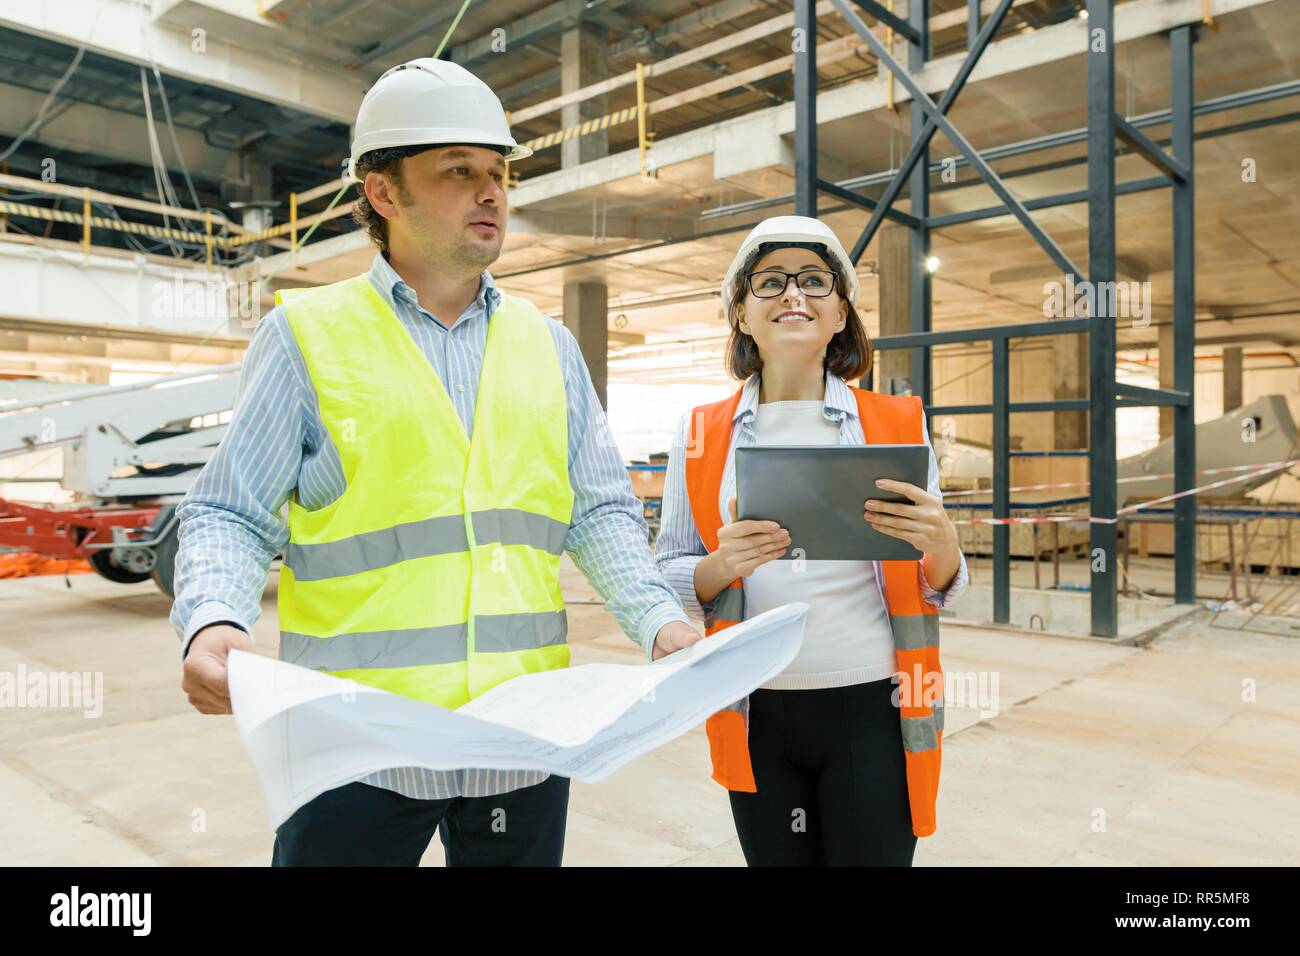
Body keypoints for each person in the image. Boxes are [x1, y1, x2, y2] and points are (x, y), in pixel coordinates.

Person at [172, 58, 701, 867]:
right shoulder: (307, 335)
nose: (491, 191)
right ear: (383, 193)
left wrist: (658, 621)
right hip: (358, 738)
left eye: (497, 172)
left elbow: (598, 511)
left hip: (521, 736)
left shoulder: (548, 345)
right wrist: (212, 618)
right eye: (459, 170)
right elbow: (229, 512)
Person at [654, 215, 969, 866]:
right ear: (739, 313)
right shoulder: (701, 432)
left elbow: (940, 589)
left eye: (814, 281)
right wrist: (721, 566)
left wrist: (946, 547)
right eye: (770, 282)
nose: (793, 294)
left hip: (873, 709)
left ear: (840, 315)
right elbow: (671, 572)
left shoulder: (895, 424)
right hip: (755, 707)